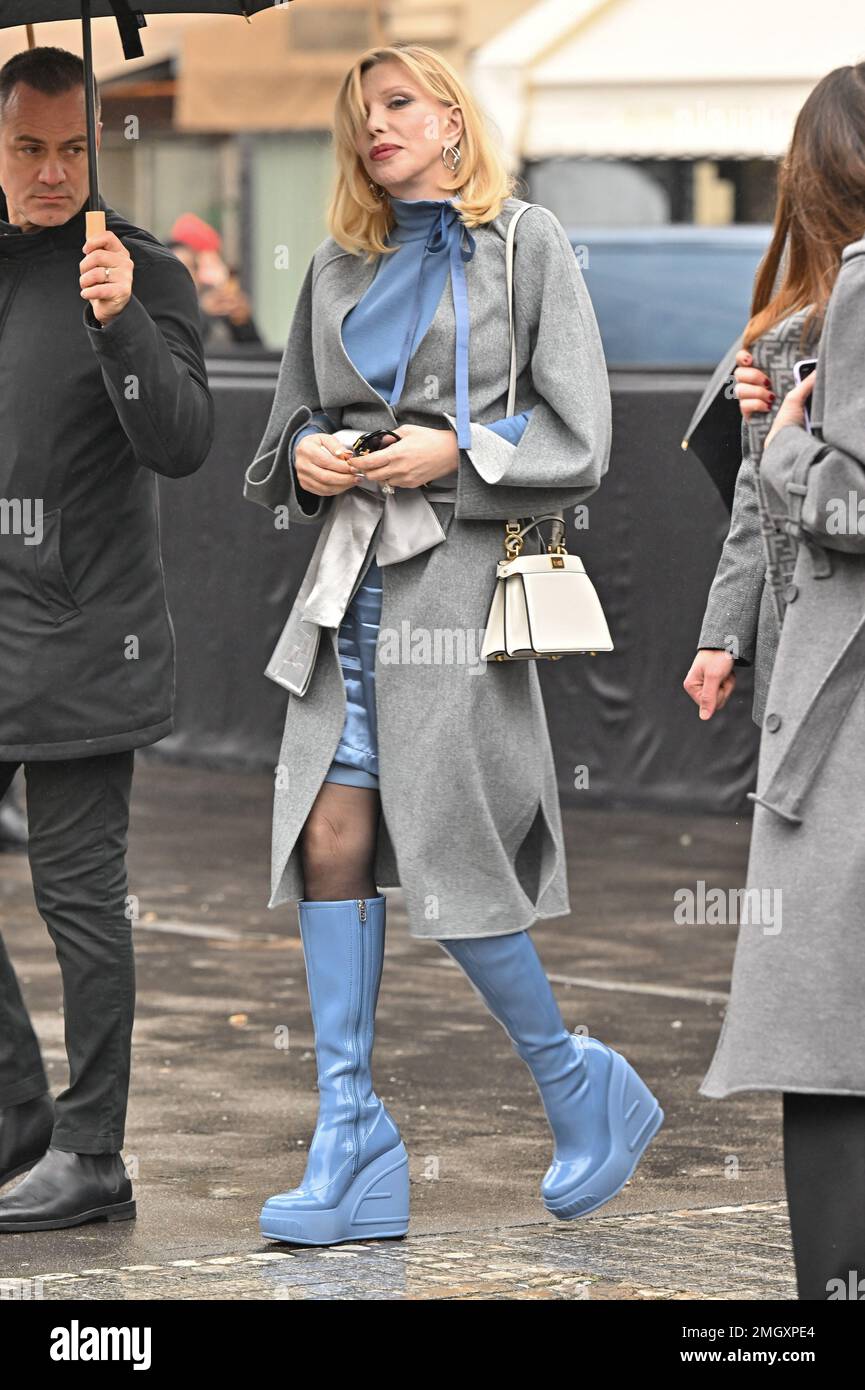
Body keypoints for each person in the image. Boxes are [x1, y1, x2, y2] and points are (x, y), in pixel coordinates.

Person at [244, 41, 663, 1248]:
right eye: (357, 112)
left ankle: (574, 1080)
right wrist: (314, 456)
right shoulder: (333, 266)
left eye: (394, 104)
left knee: (450, 852)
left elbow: (582, 436)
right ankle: (350, 1137)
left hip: (457, 606)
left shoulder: (527, 243)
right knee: (328, 834)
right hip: (344, 601)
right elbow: (282, 442)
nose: (372, 126)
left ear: (447, 120)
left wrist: (460, 451)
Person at [0, 47, 213, 1231]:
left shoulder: (142, 271)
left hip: (88, 642)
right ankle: (18, 1117)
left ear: (97, 146)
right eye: (28, 148)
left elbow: (181, 440)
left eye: (71, 149)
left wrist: (121, 318)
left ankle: (93, 1152)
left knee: (80, 903)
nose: (49, 171)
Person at [683, 62, 865, 1300]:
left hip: (842, 704)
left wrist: (788, 440)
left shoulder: (853, 289)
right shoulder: (805, 308)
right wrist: (725, 632)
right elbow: (767, 503)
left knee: (828, 1033)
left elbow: (840, 502)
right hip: (815, 678)